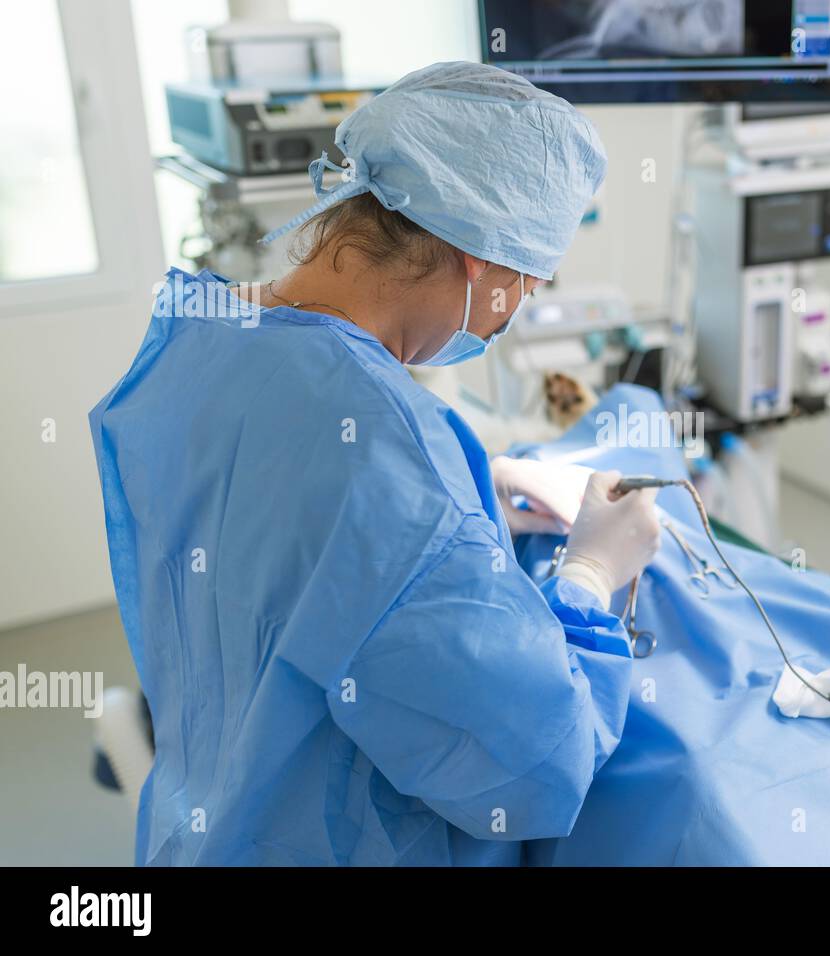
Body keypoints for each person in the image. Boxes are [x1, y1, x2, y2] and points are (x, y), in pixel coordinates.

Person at [88, 62, 661, 865]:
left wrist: (477, 491)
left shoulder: (195, 333)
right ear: (480, 258)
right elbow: (535, 765)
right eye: (529, 282)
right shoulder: (392, 462)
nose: (515, 310)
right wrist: (592, 577)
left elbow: (272, 523)